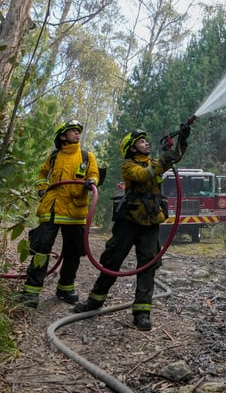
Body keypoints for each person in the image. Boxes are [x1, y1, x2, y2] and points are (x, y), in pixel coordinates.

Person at [72, 125, 188, 330]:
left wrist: (183, 139)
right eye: (141, 142)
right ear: (132, 149)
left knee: (148, 266)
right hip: (129, 222)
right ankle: (94, 301)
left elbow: (174, 157)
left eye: (146, 140)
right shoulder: (128, 166)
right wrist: (164, 159)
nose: (146, 143)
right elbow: (145, 175)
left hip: (150, 222)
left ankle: (142, 313)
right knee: (112, 260)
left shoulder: (154, 162)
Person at [19, 119, 100, 309]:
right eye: (73, 131)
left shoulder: (87, 156)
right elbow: (42, 174)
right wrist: (42, 189)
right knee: (41, 250)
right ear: (63, 136)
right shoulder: (54, 156)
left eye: (79, 131)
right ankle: (31, 292)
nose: (77, 134)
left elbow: (94, 174)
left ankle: (65, 288)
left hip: (75, 212)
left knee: (73, 252)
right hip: (52, 211)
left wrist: (91, 181)